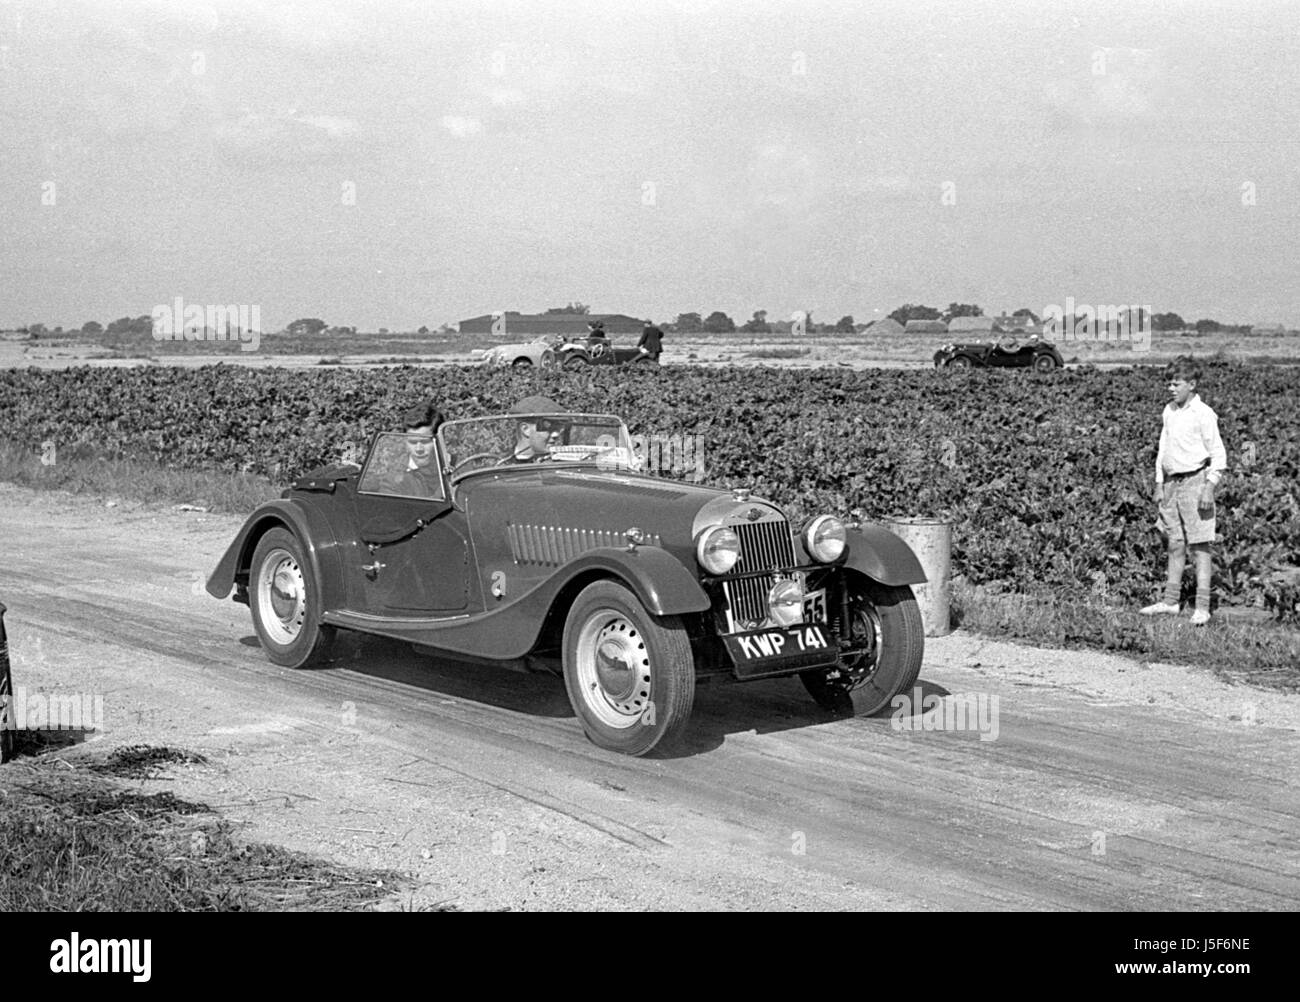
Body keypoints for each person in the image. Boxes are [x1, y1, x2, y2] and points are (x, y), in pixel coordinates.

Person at [1140, 357, 1227, 626]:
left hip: (1195, 481)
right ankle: (1170, 602)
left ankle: (1202, 607)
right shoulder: (1169, 410)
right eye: (1169, 383)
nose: (1171, 388)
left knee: (1200, 546)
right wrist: (1158, 483)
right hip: (1170, 484)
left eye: (1176, 383)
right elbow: (1163, 448)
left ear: (1192, 384)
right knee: (1174, 543)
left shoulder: (1204, 414)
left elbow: (1219, 455)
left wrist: (1208, 488)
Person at [382, 401, 446, 496]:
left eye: (425, 441)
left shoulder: (458, 467)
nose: (419, 449)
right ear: (405, 441)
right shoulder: (394, 481)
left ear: (440, 439)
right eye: (412, 442)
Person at [507, 394, 567, 462]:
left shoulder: (564, 462)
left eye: (558, 428)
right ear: (525, 429)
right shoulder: (500, 463)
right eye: (547, 428)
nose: (556, 434)